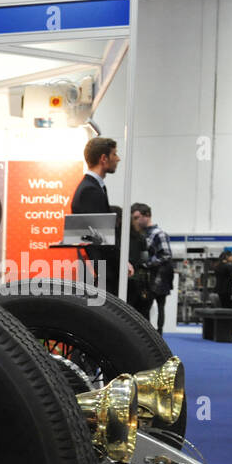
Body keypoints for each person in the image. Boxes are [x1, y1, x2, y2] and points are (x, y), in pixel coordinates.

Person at [71, 137, 121, 296]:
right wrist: (119, 264)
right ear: (103, 158)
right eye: (115, 154)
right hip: (103, 273)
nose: (118, 158)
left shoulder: (94, 187)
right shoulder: (89, 191)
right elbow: (98, 239)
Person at [133, 203, 173, 333]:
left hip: (159, 277)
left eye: (137, 217)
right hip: (146, 277)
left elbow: (166, 254)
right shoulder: (141, 233)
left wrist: (146, 263)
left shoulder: (158, 233)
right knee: (145, 308)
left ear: (147, 216)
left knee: (160, 307)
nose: (136, 221)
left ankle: (159, 334)